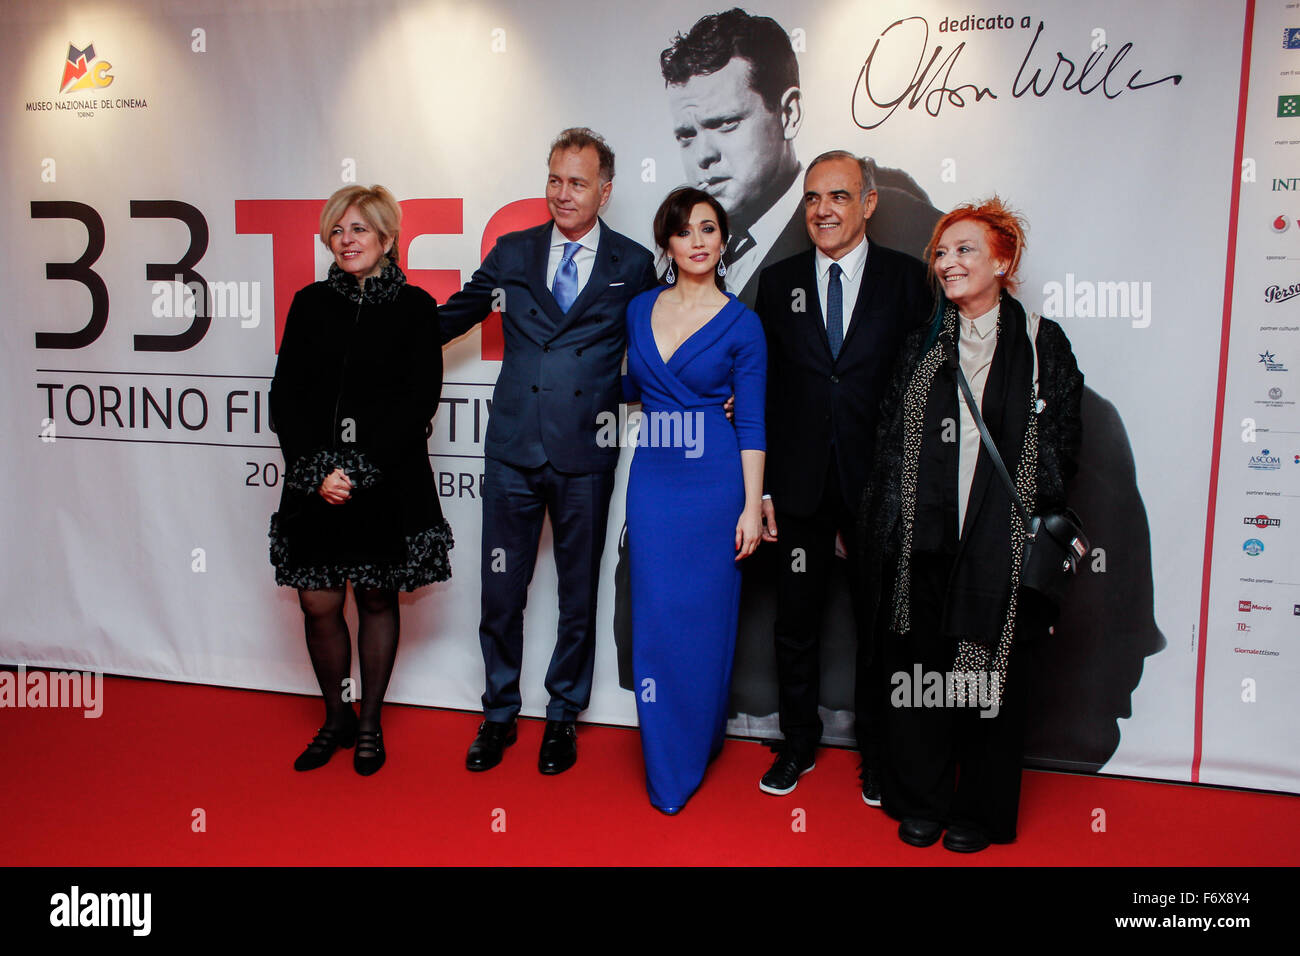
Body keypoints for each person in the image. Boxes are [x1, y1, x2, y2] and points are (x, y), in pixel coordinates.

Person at [859, 197, 1084, 852]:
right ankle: (920, 798)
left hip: (998, 553)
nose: (948, 262)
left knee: (988, 679)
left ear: (1002, 260)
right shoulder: (924, 345)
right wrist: (888, 530)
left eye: (964, 250)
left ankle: (976, 811)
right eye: (941, 251)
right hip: (922, 547)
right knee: (922, 671)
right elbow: (889, 442)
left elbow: (1062, 449)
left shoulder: (1042, 343)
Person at [439, 128, 657, 775]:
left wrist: (698, 392)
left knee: (577, 594)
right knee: (501, 592)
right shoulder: (512, 253)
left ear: (605, 190)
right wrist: (388, 330)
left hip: (586, 455)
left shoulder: (633, 264)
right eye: (555, 179)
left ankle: (563, 715)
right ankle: (499, 713)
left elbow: (650, 354)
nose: (563, 194)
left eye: (578, 182)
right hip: (512, 449)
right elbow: (454, 316)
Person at [754, 151, 931, 800]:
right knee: (794, 624)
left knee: (880, 627)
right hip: (799, 492)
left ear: (869, 203)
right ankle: (797, 745)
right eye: (812, 199)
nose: (822, 210)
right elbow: (764, 390)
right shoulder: (779, 284)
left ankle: (877, 758)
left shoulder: (909, 282)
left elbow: (922, 391)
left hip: (876, 490)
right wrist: (765, 487)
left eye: (837, 196)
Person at [269, 184, 452, 776]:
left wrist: (360, 469)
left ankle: (369, 722)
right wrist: (319, 470)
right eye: (338, 230)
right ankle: (336, 716)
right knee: (319, 602)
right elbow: (286, 397)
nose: (347, 240)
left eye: (360, 230)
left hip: (386, 484)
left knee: (376, 596)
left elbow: (418, 399)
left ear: (388, 240)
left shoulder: (417, 307)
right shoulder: (308, 303)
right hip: (314, 486)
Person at [624, 187, 767, 814]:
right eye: (685, 231)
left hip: (715, 484)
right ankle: (669, 758)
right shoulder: (637, 309)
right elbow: (632, 383)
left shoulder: (745, 323)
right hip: (653, 479)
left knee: (704, 624)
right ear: (669, 243)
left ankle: (700, 738)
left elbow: (754, 425)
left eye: (709, 228)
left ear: (723, 238)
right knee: (655, 621)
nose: (699, 241)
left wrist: (750, 506)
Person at [659, 7, 940, 307]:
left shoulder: (901, 218)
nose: (704, 155)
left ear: (789, 115)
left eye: (726, 124)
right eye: (686, 136)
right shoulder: (682, 256)